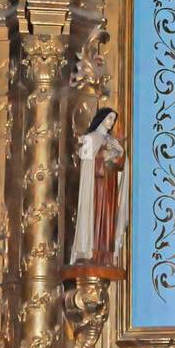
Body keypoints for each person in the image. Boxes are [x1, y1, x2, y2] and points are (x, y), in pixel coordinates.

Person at [70, 106, 128, 266]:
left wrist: (119, 157)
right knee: (96, 220)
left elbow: (122, 166)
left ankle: (105, 255)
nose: (112, 122)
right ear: (101, 118)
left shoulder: (113, 141)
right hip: (96, 187)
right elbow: (87, 167)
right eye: (109, 118)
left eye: (113, 119)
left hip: (110, 188)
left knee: (108, 222)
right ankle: (91, 252)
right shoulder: (90, 138)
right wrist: (104, 158)